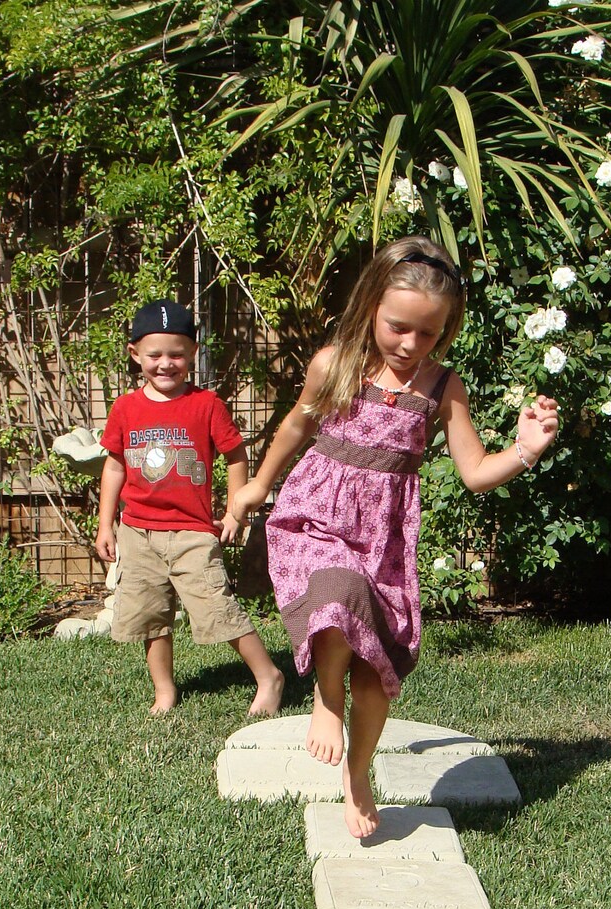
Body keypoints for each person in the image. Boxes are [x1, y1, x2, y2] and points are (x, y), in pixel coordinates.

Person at [231, 237, 559, 837]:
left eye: (427, 335)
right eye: (397, 327)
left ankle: (359, 772)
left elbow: (475, 472)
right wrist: (256, 487)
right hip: (317, 516)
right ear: (370, 308)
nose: (410, 345)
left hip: (384, 539)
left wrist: (525, 451)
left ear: (446, 330)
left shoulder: (441, 387)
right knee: (337, 596)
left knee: (376, 673)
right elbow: (295, 426)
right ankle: (327, 702)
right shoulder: (335, 365)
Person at [95, 299, 284, 716]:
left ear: (193, 353)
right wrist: (105, 524)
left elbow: (236, 456)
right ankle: (165, 690)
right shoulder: (125, 409)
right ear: (135, 355)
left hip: (193, 533)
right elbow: (114, 467)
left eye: (177, 354)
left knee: (218, 608)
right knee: (151, 617)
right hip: (138, 531)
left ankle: (269, 675)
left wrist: (236, 511)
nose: (166, 364)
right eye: (155, 355)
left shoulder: (207, 406)